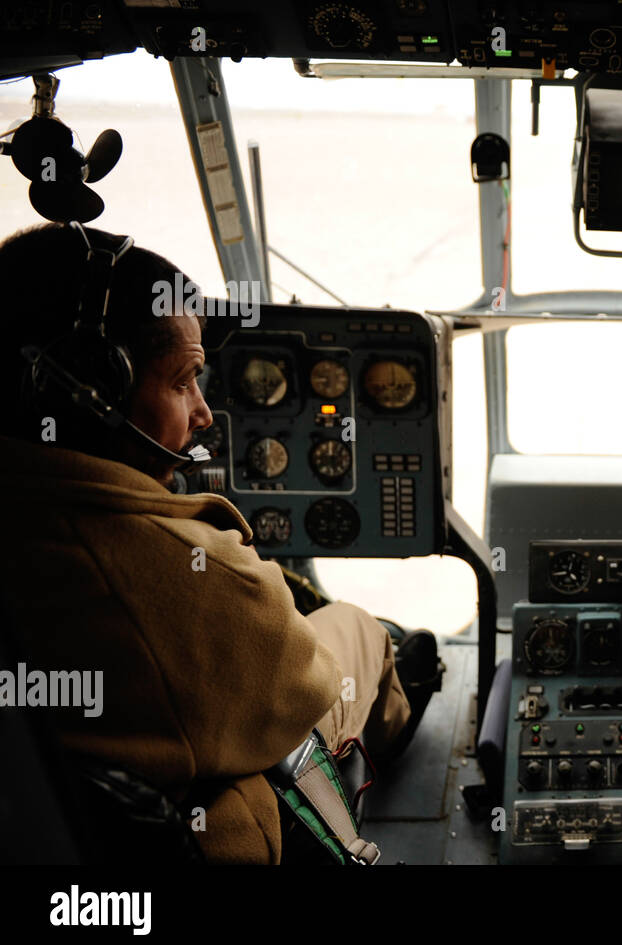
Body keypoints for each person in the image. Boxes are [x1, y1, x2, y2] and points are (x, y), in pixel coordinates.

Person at [0, 222, 441, 863]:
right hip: (203, 836)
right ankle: (395, 718)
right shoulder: (176, 576)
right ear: (93, 390)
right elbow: (304, 688)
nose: (204, 414)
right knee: (354, 628)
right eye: (183, 383)